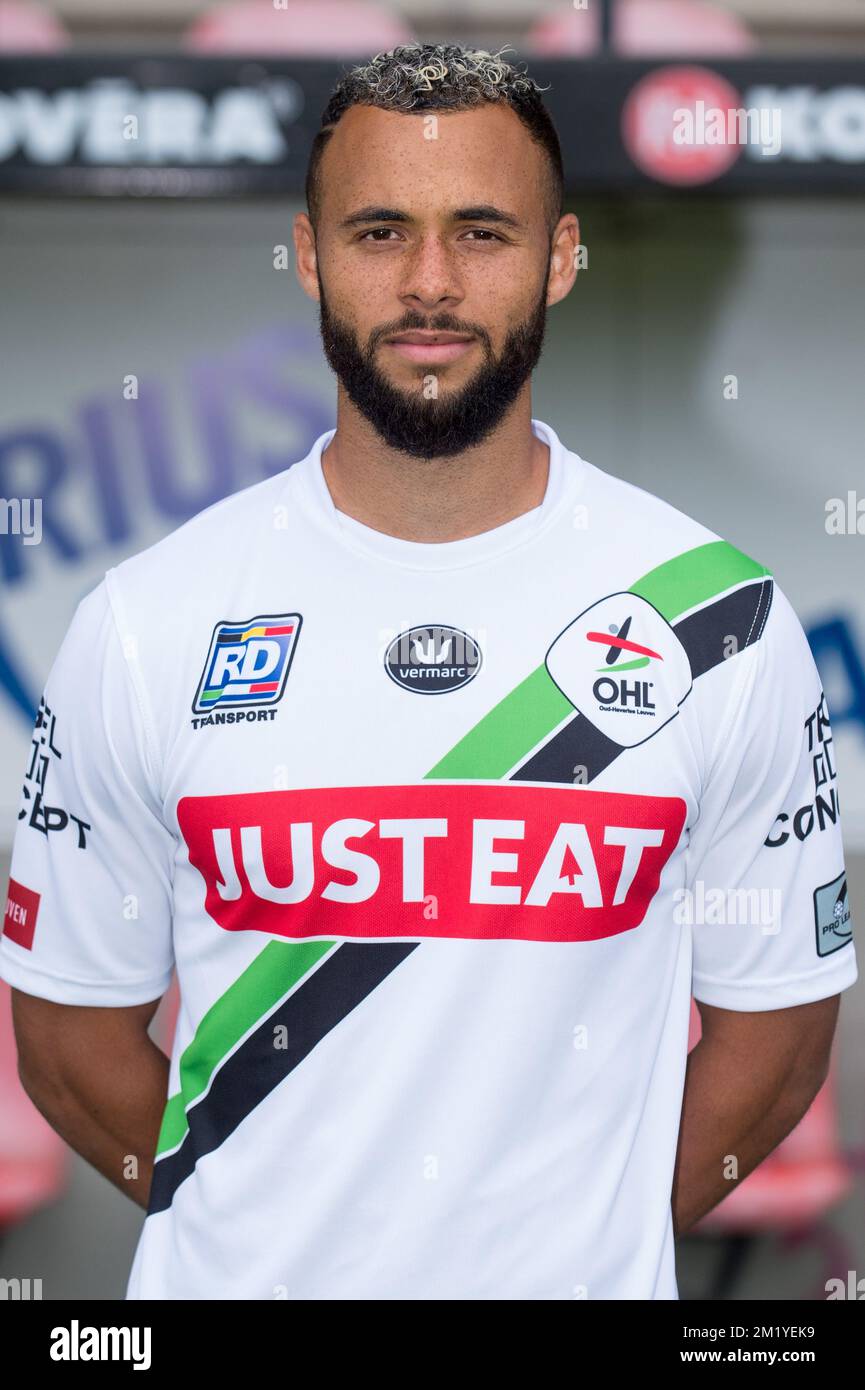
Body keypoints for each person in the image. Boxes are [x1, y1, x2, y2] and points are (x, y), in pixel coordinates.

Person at [0, 43, 857, 1301]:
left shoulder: (716, 621)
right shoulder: (151, 620)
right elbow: (70, 1041)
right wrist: (258, 1227)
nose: (430, 283)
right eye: (380, 230)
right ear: (307, 253)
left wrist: (576, 1248)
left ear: (561, 256)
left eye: (483, 232)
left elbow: (776, 1043)